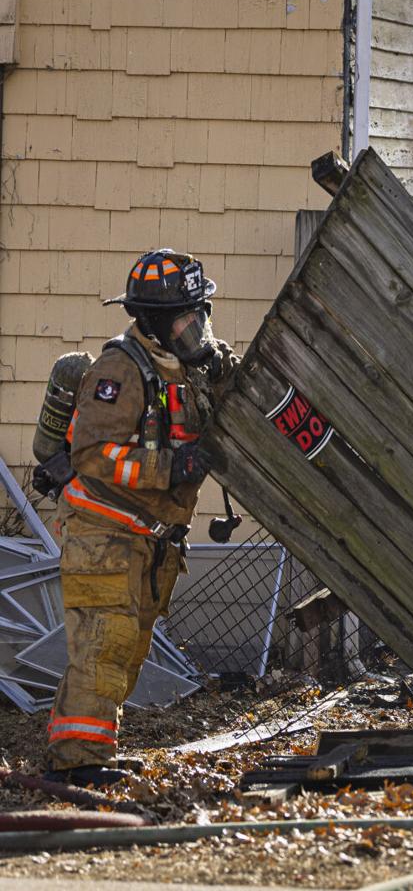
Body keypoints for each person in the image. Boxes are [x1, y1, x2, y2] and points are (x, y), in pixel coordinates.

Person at [46, 250, 236, 785]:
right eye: (184, 319)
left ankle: (90, 752)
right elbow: (91, 455)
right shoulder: (120, 371)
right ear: (152, 320)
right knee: (104, 646)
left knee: (127, 650)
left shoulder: (188, 368)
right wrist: (172, 466)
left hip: (151, 541)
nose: (195, 329)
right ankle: (76, 763)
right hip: (104, 532)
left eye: (200, 316)